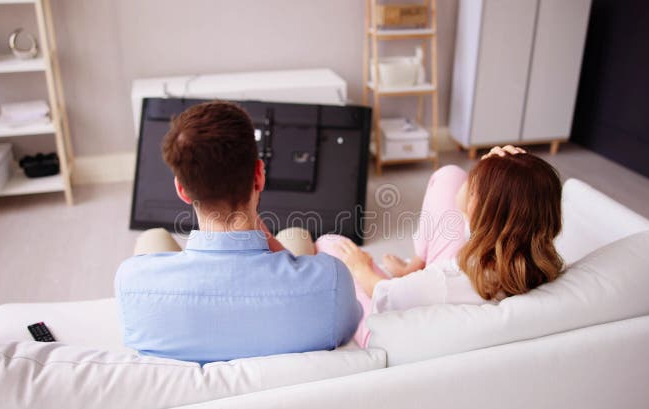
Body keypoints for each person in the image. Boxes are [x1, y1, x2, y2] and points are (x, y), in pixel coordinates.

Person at [115, 101, 363, 364]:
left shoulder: (131, 281)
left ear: (182, 190)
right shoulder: (333, 281)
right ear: (259, 176)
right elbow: (350, 325)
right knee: (297, 235)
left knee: (152, 238)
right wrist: (252, 221)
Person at [307, 146, 565, 346]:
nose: (469, 177)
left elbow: (383, 294)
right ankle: (413, 266)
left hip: (386, 317)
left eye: (473, 183)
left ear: (477, 206)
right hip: (445, 275)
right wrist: (502, 166)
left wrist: (360, 267)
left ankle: (407, 271)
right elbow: (505, 201)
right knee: (449, 175)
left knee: (330, 244)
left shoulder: (446, 280)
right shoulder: (527, 256)